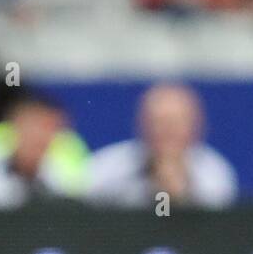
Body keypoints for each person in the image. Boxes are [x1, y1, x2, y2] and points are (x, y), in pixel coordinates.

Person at [85, 83, 238, 210]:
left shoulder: (213, 172)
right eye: (159, 122)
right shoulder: (108, 166)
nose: (167, 130)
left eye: (175, 122)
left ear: (196, 126)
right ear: (141, 123)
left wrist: (181, 194)